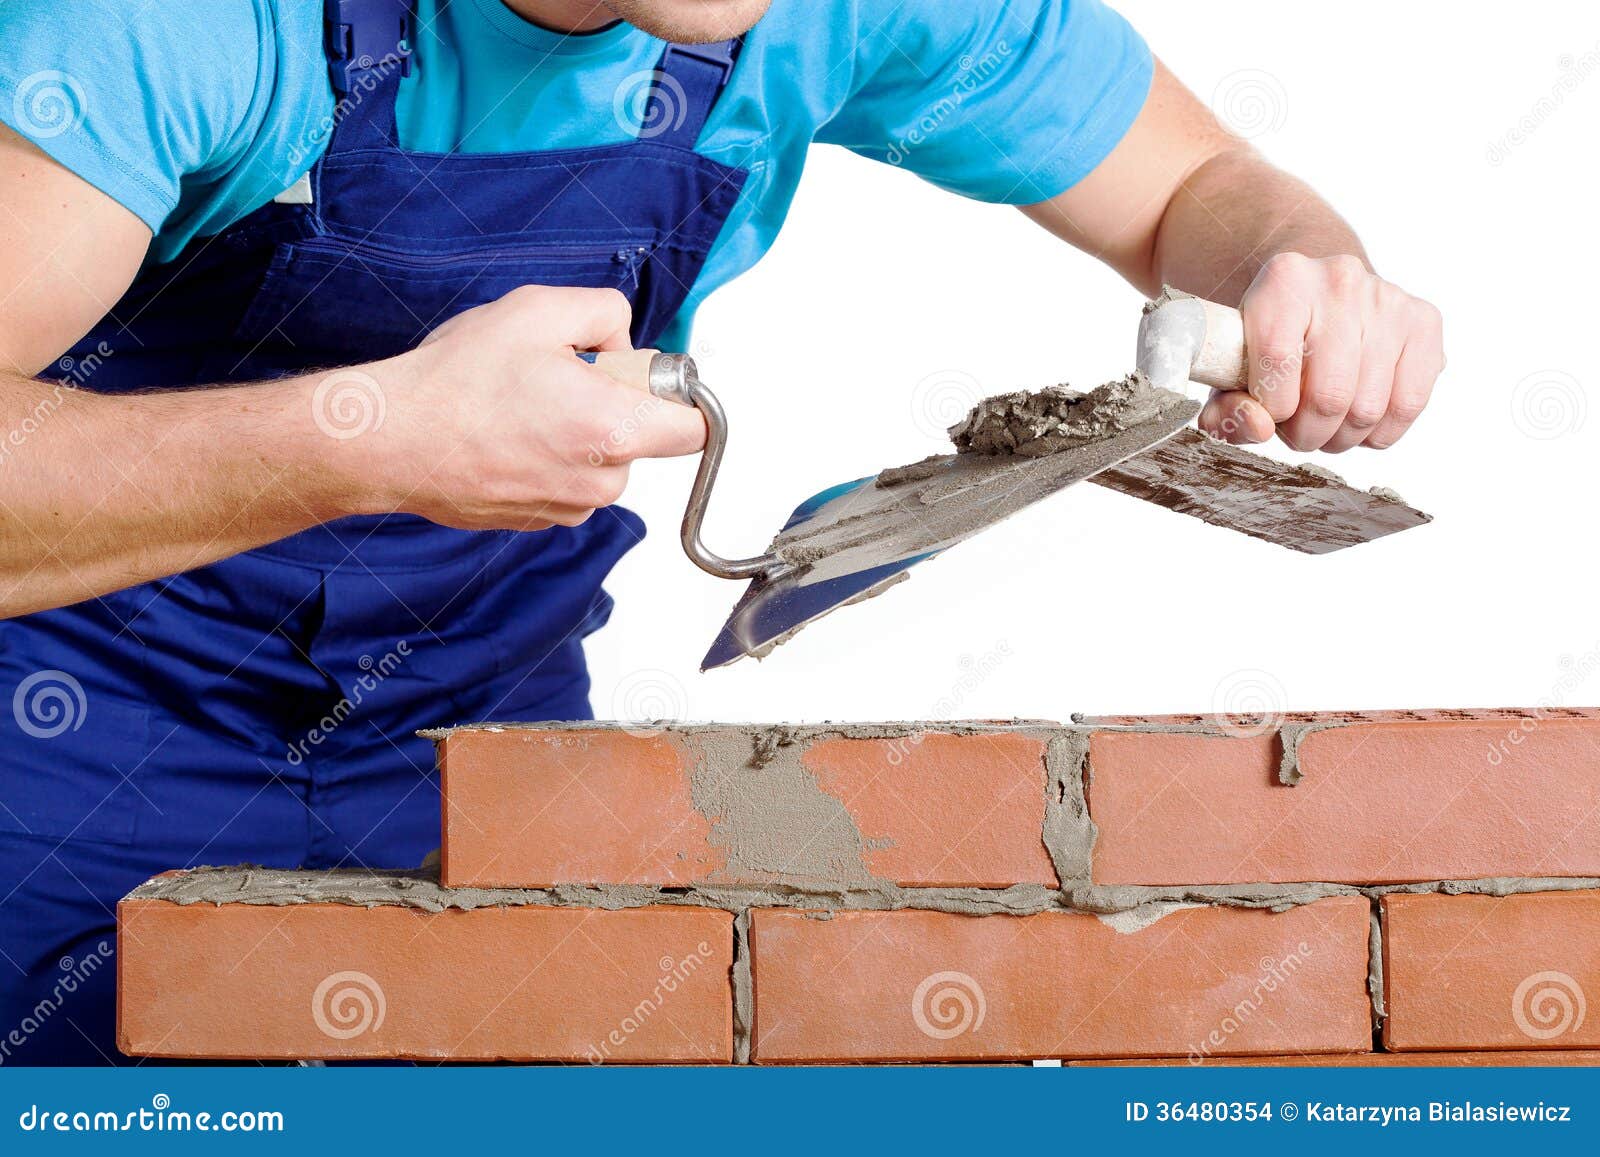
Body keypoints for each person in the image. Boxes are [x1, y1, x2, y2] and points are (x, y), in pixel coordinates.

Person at [0, 0, 1443, 1063]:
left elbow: (1196, 190)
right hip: (68, 748)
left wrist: (1297, 266)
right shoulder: (171, 26)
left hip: (464, 746)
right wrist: (366, 439)